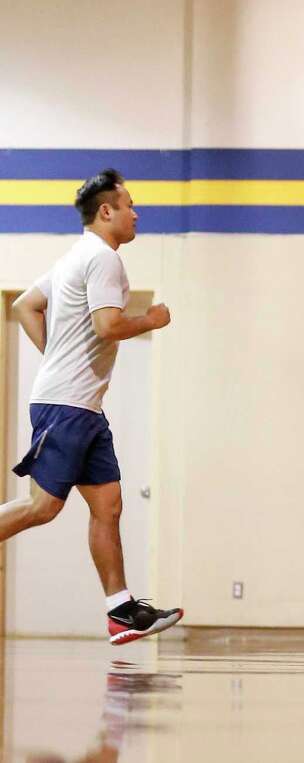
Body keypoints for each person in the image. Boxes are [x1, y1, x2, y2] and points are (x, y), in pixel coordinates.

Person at [0, 169, 182, 645]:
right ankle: (120, 609)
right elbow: (108, 326)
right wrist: (154, 320)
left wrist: (56, 355)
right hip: (67, 406)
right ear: (107, 211)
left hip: (83, 407)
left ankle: (120, 611)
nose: (136, 212)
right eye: (129, 205)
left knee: (109, 505)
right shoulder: (102, 259)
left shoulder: (73, 257)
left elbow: (24, 306)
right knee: (42, 508)